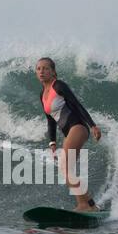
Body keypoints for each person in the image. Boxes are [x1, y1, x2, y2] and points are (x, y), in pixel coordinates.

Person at [35, 57, 102, 211]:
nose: (42, 71)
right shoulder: (42, 94)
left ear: (53, 71)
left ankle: (83, 205)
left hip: (78, 127)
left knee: (65, 167)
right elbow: (50, 120)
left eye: (45, 68)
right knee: (66, 169)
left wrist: (92, 126)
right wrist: (52, 143)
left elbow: (77, 105)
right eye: (39, 68)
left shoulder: (58, 86)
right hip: (69, 132)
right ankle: (91, 205)